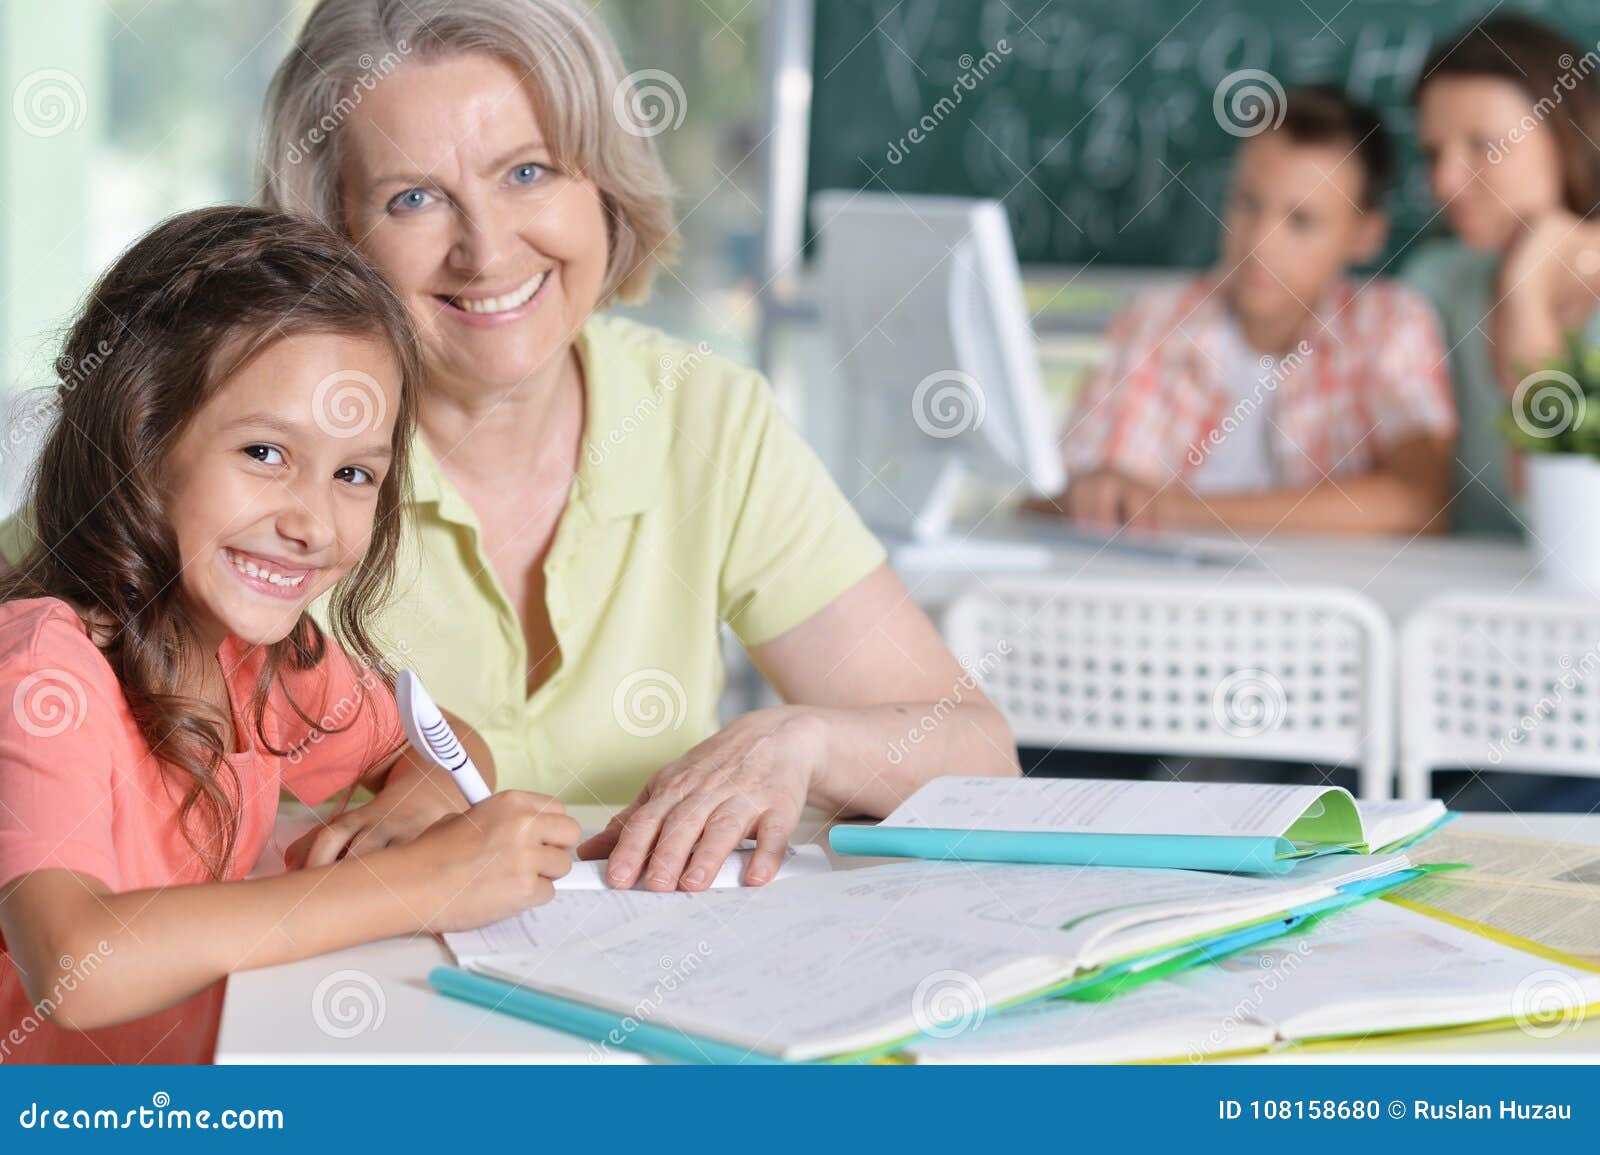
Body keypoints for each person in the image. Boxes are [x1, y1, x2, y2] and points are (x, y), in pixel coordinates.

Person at [243, 0, 1019, 892]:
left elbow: (979, 762)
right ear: (336, 238)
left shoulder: (704, 416)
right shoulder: (253, 432)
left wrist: (799, 737)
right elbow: (53, 655)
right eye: (412, 199)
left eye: (528, 172)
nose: (487, 251)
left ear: (604, 190)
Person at [0, 207, 578, 1063]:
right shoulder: (43, 666)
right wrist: (416, 880)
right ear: (141, 441)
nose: (312, 521)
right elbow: (79, 962)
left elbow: (442, 739)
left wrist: (417, 800)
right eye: (266, 453)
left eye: (353, 473)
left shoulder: (268, 658)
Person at [1031, 86, 1457, 536]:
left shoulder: (1390, 323)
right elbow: (1050, 499)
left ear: (1365, 236)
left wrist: (1172, 510)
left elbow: (1420, 503)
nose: (1259, 244)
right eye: (1248, 204)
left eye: (1301, 221)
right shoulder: (1154, 322)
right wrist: (1089, 494)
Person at [1406, 13, 1600, 537]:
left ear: (1566, 135)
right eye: (1433, 153)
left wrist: (1526, 293)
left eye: (1483, 145)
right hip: (1448, 604)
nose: (1445, 182)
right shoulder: (1437, 284)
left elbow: (1562, 526)